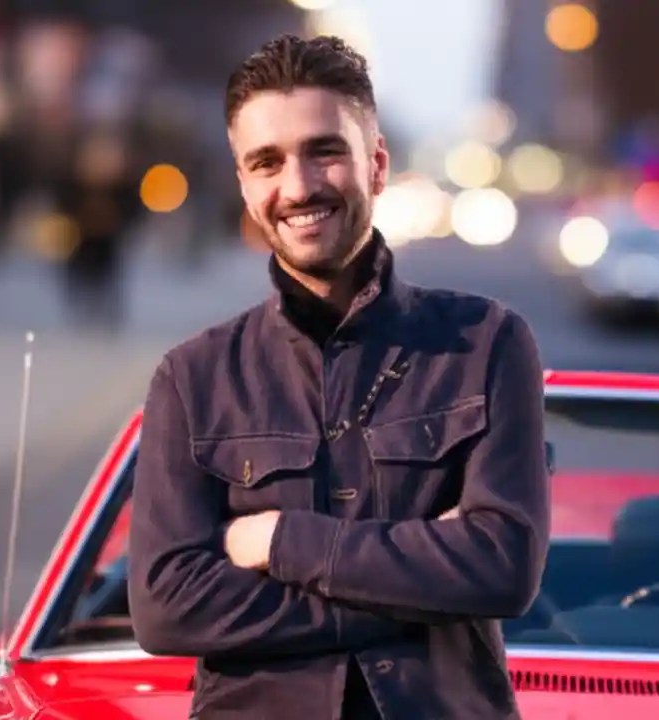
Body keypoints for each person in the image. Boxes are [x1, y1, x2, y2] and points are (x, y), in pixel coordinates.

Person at [128, 34, 550, 719]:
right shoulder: (192, 378)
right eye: (267, 162)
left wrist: (277, 541)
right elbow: (166, 607)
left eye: (324, 151)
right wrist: (419, 597)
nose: (298, 187)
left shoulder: (489, 344)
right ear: (244, 184)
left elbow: (502, 567)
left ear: (376, 165)